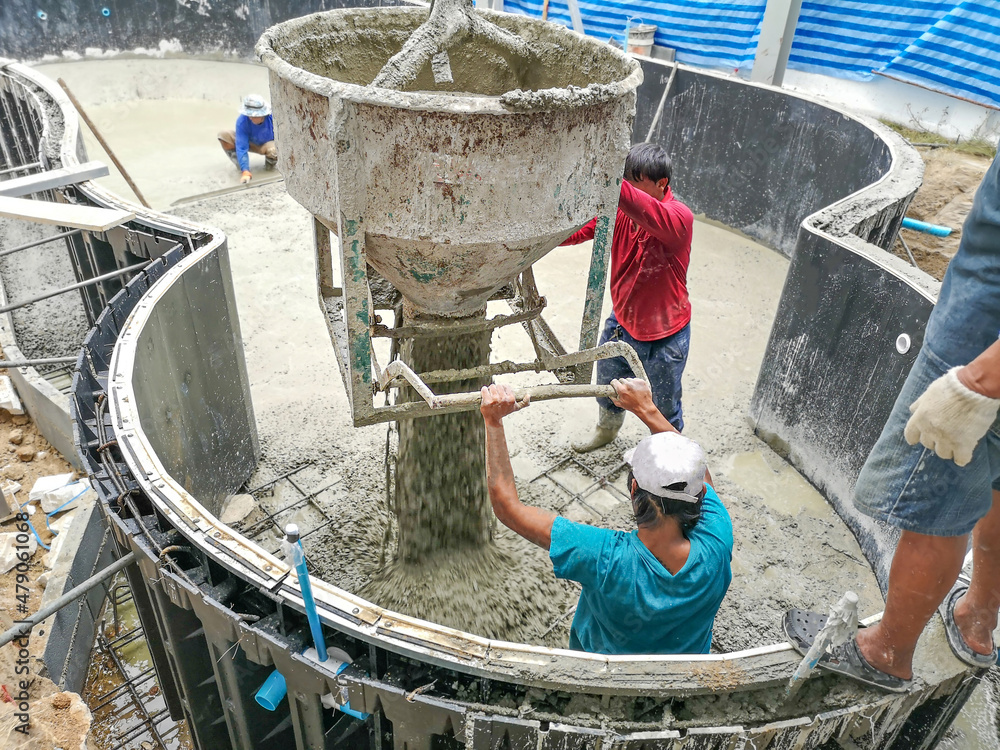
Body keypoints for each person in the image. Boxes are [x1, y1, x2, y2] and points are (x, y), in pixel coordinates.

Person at [784, 151, 1000, 692]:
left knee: (933, 499)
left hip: (982, 343)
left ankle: (886, 652)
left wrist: (977, 382)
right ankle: (978, 619)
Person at [480, 377, 733, 655]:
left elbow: (508, 508)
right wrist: (646, 408)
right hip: (679, 674)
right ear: (697, 497)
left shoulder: (605, 558)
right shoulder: (717, 538)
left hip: (603, 673)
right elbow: (702, 475)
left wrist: (493, 422)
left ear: (633, 487)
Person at [561, 142, 694, 453]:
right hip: (621, 324)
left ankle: (667, 461)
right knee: (610, 389)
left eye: (637, 181)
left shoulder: (678, 219)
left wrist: (602, 168)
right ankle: (606, 431)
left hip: (665, 338)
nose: (629, 188)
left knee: (663, 408)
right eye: (627, 180)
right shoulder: (621, 213)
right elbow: (579, 230)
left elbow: (636, 203)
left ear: (662, 184)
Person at [218, 94, 277, 185]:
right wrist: (245, 171)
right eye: (249, 114)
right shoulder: (242, 121)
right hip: (251, 143)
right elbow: (241, 147)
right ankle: (241, 167)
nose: (250, 117)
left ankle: (269, 169)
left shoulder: (274, 118)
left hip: (269, 144)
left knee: (274, 150)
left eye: (254, 115)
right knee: (224, 135)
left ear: (262, 114)